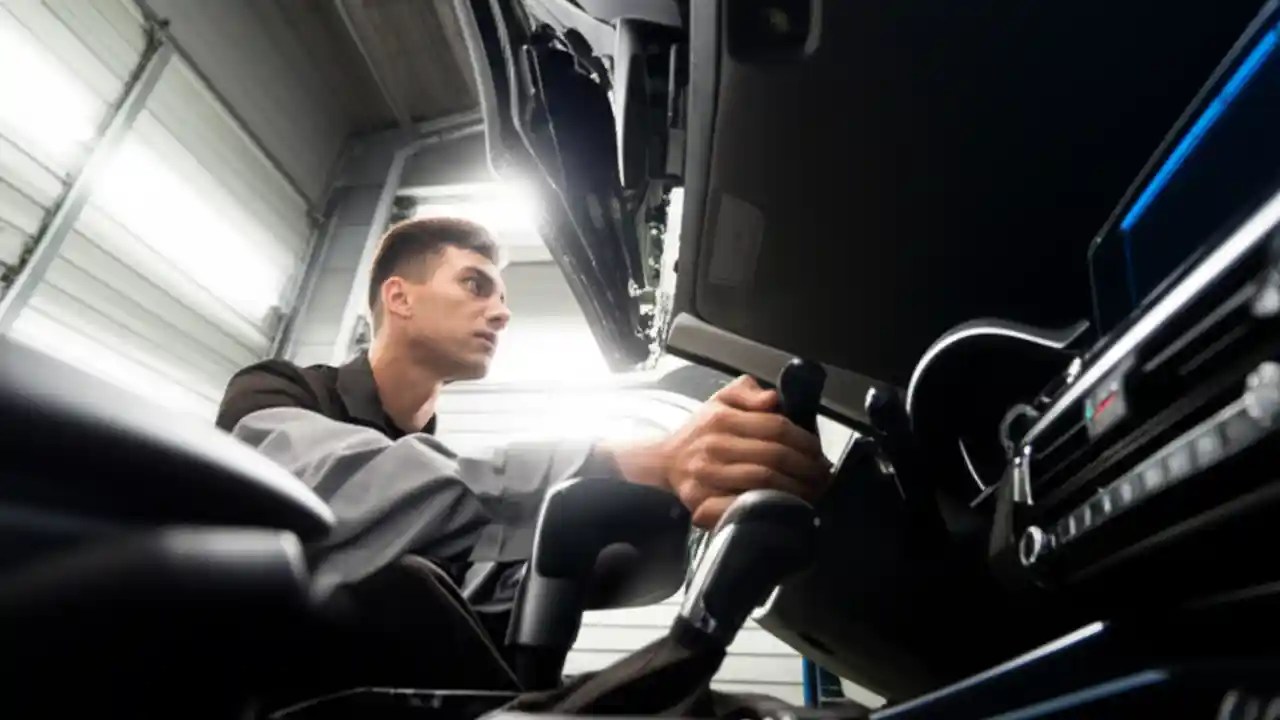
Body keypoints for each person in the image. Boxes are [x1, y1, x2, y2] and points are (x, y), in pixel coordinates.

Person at [216, 216, 832, 605]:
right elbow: (333, 492)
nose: (502, 313)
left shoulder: (448, 491)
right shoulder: (273, 392)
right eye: (475, 285)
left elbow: (492, 587)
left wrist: (687, 504)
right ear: (398, 297)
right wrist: (639, 463)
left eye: (503, 298)